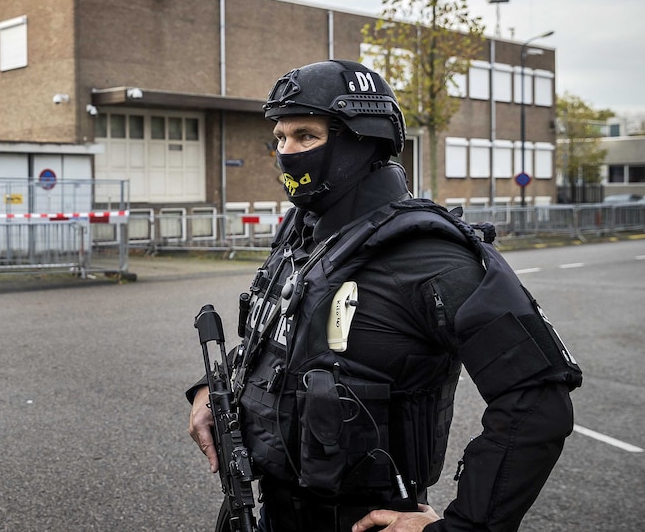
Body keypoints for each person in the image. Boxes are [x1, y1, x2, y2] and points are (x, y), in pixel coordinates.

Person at [186, 59, 582, 532]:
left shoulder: (428, 254)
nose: (286, 153)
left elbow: (537, 401)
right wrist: (214, 388)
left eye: (306, 136)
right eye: (280, 138)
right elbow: (285, 342)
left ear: (363, 140)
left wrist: (461, 528)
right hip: (266, 511)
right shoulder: (303, 234)